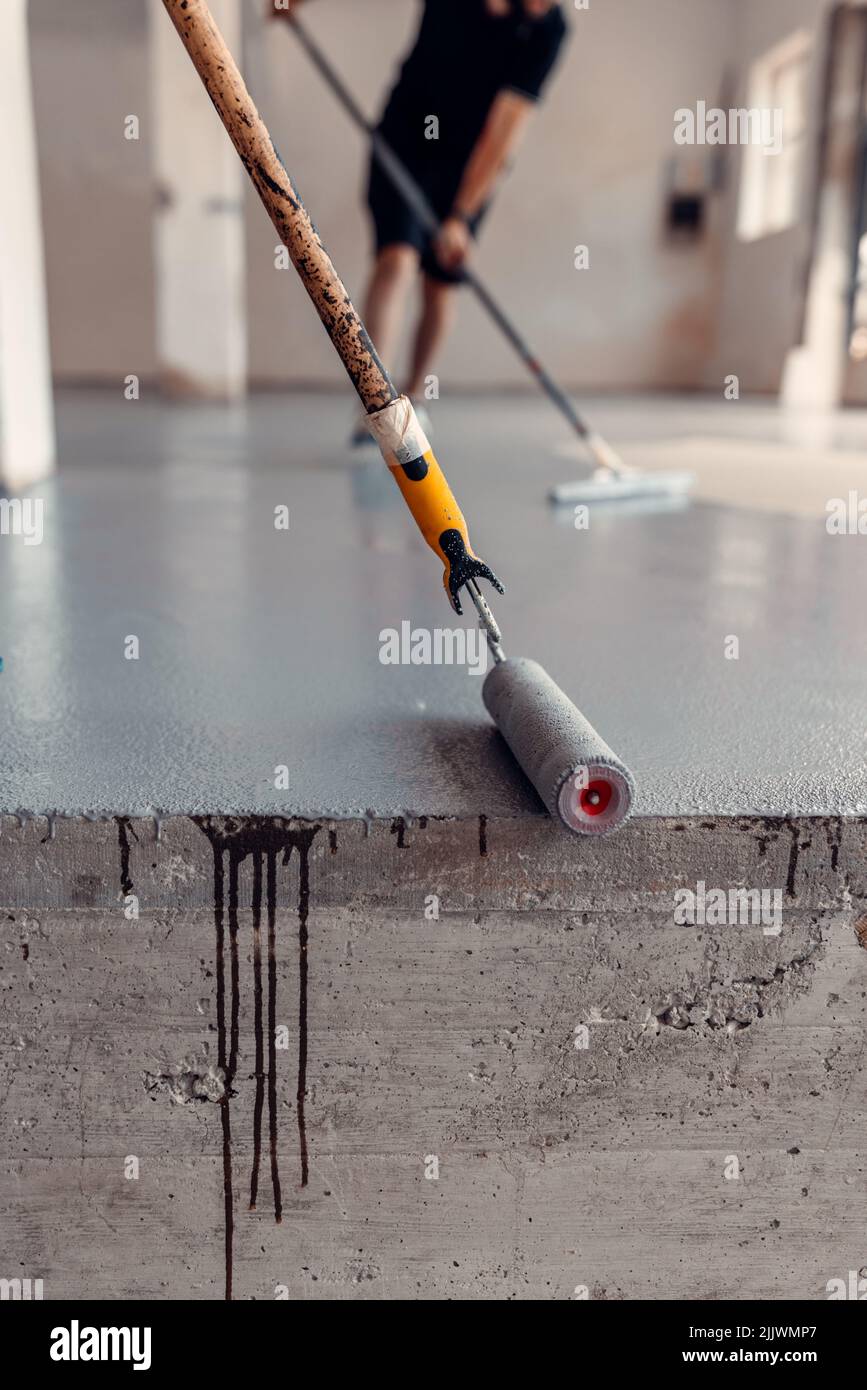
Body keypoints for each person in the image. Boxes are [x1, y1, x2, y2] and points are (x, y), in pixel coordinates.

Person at [268, 1, 569, 440]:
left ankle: (416, 397)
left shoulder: (549, 29)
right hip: (405, 139)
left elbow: (507, 125)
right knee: (397, 259)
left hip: (470, 164)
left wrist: (462, 217)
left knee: (441, 283)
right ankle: (377, 406)